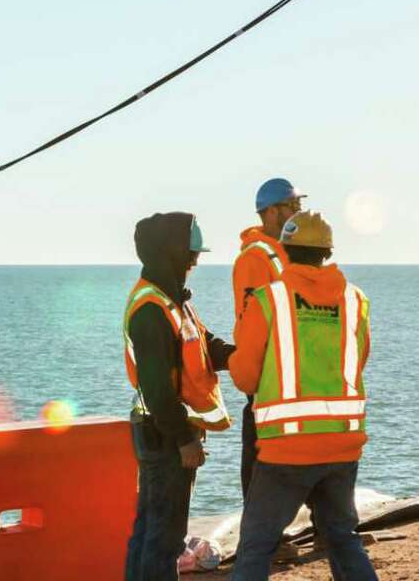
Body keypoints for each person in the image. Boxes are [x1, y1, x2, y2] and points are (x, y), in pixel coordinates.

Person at [228, 210, 379, 581]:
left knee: (256, 544)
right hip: (342, 444)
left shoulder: (269, 299)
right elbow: (359, 359)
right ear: (327, 251)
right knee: (342, 537)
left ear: (285, 249)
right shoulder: (354, 300)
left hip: (287, 448)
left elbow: (245, 377)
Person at [124, 212, 232, 581]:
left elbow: (204, 345)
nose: (196, 261)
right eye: (190, 253)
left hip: (160, 431)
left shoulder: (172, 301)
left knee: (149, 530)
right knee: (165, 538)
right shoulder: (151, 309)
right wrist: (184, 439)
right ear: (170, 253)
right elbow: (157, 389)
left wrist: (243, 355)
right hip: (164, 434)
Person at [233, 177, 306, 497]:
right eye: (294, 206)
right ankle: (263, 541)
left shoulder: (285, 253)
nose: (300, 212)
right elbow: (253, 323)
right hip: (269, 379)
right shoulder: (256, 257)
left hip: (291, 377)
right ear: (273, 211)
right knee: (262, 458)